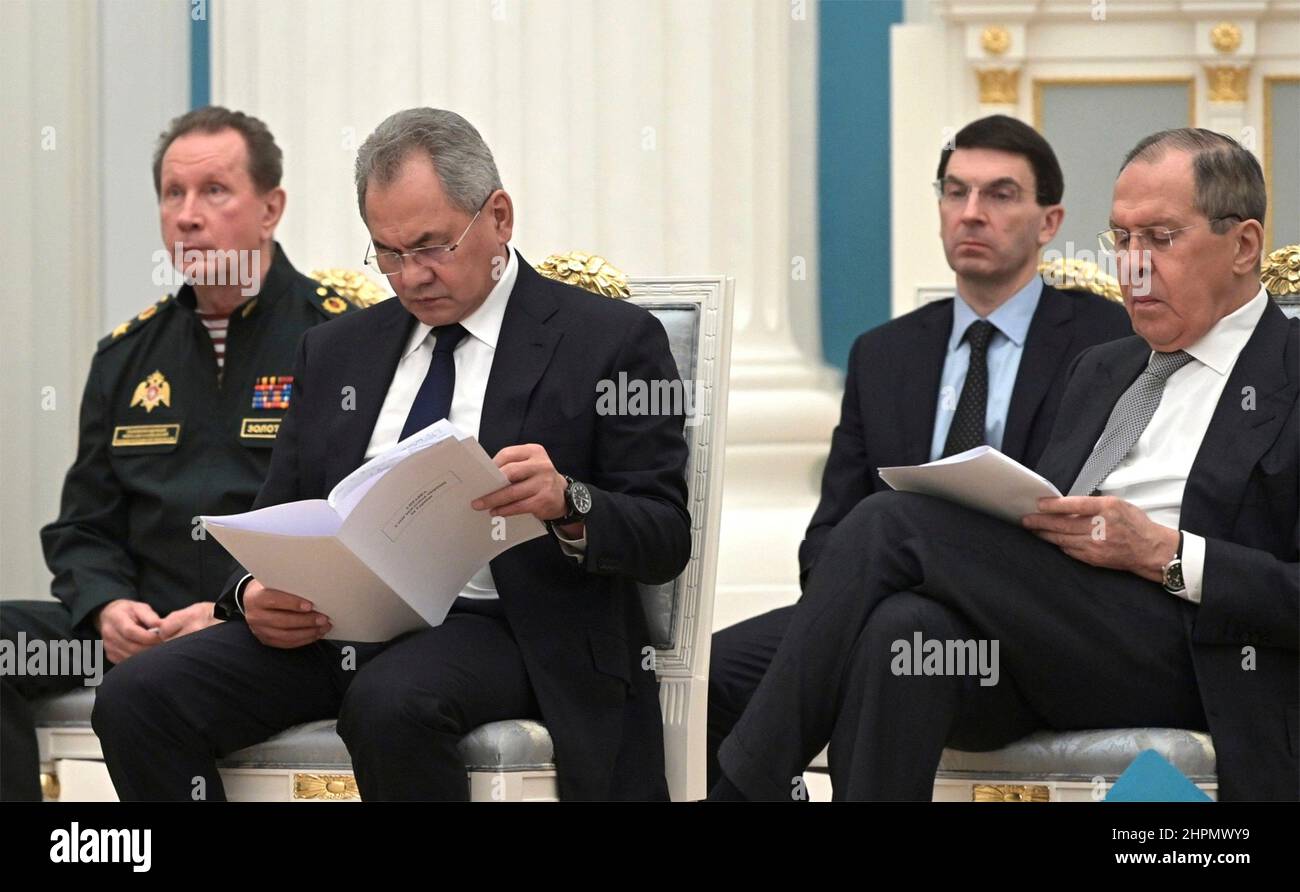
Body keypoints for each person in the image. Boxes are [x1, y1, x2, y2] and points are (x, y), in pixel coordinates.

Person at [91, 107, 692, 801]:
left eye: (433, 247)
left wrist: (569, 501)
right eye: (389, 253)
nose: (411, 277)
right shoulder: (337, 348)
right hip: (336, 627)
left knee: (391, 702)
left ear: (498, 217)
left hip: (508, 628)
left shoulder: (607, 341)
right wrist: (249, 593)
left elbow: (664, 535)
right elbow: (274, 512)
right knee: (138, 696)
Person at [712, 128, 1297, 802]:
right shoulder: (1102, 368)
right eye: (1121, 239)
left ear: (1243, 245)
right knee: (904, 634)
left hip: (1202, 653)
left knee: (890, 523)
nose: (1133, 267)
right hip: (1058, 639)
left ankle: (743, 791)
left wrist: (1166, 554)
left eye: (1161, 239)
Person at [707, 115, 1131, 786]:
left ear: (1049, 222)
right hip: (880, 601)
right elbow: (829, 533)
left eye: (999, 194)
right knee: (712, 678)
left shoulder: (1109, 342)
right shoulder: (883, 354)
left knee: (900, 628)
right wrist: (857, 599)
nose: (971, 213)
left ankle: (744, 784)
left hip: (1021, 627)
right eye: (955, 192)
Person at [0, 106, 356, 801]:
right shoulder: (128, 357)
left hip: (264, 626)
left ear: (270, 208)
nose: (187, 216)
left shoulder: (338, 339)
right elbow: (82, 528)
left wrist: (228, 610)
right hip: (139, 628)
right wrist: (106, 607)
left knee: (149, 692)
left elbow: (349, 522)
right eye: (172, 194)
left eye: (214, 191)